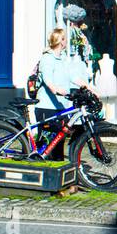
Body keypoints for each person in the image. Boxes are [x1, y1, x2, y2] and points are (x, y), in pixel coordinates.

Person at [36, 28, 92, 157]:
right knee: (47, 143)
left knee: (59, 142)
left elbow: (73, 77)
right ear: (61, 41)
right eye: (65, 38)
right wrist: (57, 90)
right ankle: (41, 168)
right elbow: (48, 80)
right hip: (47, 107)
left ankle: (57, 169)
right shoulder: (47, 58)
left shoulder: (63, 59)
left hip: (61, 107)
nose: (67, 41)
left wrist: (89, 88)